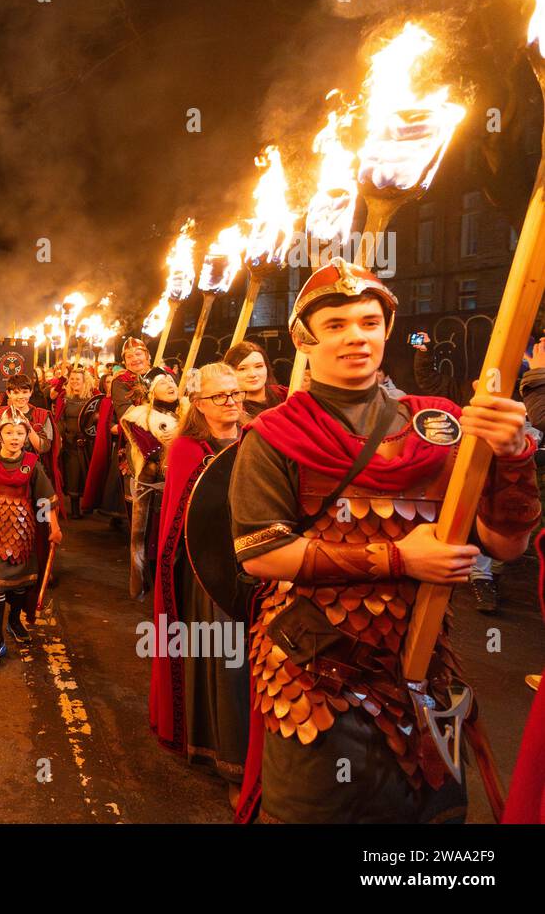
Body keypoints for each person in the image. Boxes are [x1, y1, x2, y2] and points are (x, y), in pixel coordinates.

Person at [230, 260, 539, 823]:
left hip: (423, 669)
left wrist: (514, 457)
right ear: (304, 338)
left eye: (369, 322)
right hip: (315, 675)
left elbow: (506, 545)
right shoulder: (275, 435)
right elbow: (261, 554)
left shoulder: (438, 425)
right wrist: (400, 556)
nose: (356, 336)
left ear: (387, 329)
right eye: (336, 325)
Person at [148, 363, 249, 801]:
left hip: (258, 567)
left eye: (235, 393)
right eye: (219, 396)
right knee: (225, 664)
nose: (231, 402)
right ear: (199, 404)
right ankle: (230, 762)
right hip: (209, 573)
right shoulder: (189, 449)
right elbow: (181, 522)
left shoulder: (257, 439)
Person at [0, 409, 62, 663]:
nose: (15, 437)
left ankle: (14, 620)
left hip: (24, 532)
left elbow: (45, 499)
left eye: (20, 433)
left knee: (21, 584)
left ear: (26, 436)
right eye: (9, 433)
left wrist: (54, 527)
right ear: (0, 436)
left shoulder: (32, 463)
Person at [121, 373, 180, 601]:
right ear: (151, 391)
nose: (170, 385)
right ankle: (159, 599)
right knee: (156, 546)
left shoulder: (188, 413)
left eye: (172, 381)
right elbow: (153, 453)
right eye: (163, 382)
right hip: (156, 492)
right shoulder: (140, 417)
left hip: (183, 488)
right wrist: (181, 439)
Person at [82, 338, 155, 522]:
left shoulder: (162, 375)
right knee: (137, 495)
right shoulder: (122, 381)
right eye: (129, 356)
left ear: (148, 356)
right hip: (136, 442)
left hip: (164, 442)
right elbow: (128, 415)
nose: (135, 359)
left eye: (138, 354)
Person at [0, 373, 61, 509]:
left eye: (25, 392)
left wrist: (27, 426)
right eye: (16, 392)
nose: (21, 396)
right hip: (6, 471)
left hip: (34, 471)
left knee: (39, 513)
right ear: (8, 393)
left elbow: (43, 448)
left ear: (31, 392)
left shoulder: (41, 416)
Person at [55, 365, 93, 519]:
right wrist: (60, 436)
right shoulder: (64, 398)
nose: (74, 381)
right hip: (70, 443)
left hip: (88, 443)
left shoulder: (92, 398)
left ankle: (89, 505)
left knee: (87, 474)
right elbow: (60, 420)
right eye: (72, 379)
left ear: (84, 381)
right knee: (73, 475)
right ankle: (75, 508)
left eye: (78, 379)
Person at [223, 341, 287, 419]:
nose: (253, 374)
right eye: (242, 369)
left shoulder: (284, 394)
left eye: (259, 366)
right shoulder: (231, 409)